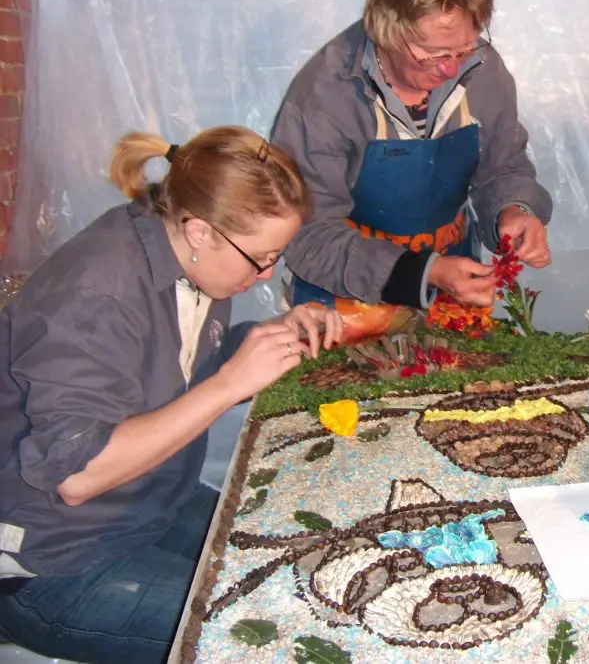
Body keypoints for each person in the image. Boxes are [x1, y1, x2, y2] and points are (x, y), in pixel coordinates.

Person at [0, 126, 342, 663]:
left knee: (308, 562)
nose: (268, 273)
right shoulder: (98, 291)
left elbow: (172, 371)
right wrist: (233, 381)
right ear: (201, 230)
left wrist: (270, 337)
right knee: (283, 636)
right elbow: (77, 476)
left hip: (151, 506)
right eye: (261, 257)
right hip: (55, 563)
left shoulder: (185, 256)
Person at [271, 0, 553, 318]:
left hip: (452, 285)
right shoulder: (325, 96)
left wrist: (514, 209)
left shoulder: (484, 72)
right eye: (432, 52)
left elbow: (503, 166)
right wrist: (425, 272)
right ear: (386, 27)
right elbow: (308, 234)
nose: (452, 67)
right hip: (344, 301)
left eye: (464, 47)